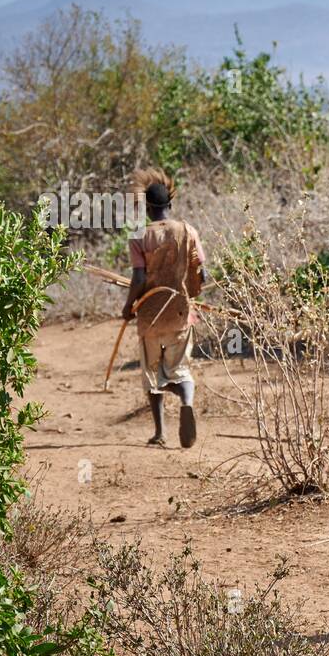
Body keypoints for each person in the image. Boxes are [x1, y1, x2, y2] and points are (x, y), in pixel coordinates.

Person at [122, 168, 206, 449]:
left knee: (152, 375)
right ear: (170, 204)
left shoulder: (139, 235)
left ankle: (160, 433)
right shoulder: (188, 230)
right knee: (180, 369)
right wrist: (191, 294)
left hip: (149, 316)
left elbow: (139, 278)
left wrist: (129, 305)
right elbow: (200, 274)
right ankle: (187, 400)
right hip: (180, 313)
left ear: (147, 208)